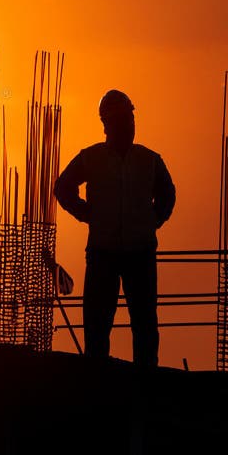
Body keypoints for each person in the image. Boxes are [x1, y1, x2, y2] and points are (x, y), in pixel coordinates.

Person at [53, 89, 175, 366]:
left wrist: (152, 221)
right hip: (103, 253)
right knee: (97, 324)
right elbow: (63, 187)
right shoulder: (92, 158)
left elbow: (167, 194)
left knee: (144, 323)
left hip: (139, 252)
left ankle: (143, 382)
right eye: (123, 120)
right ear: (108, 125)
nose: (129, 126)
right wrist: (86, 214)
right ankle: (98, 382)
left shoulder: (149, 159)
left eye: (130, 120)